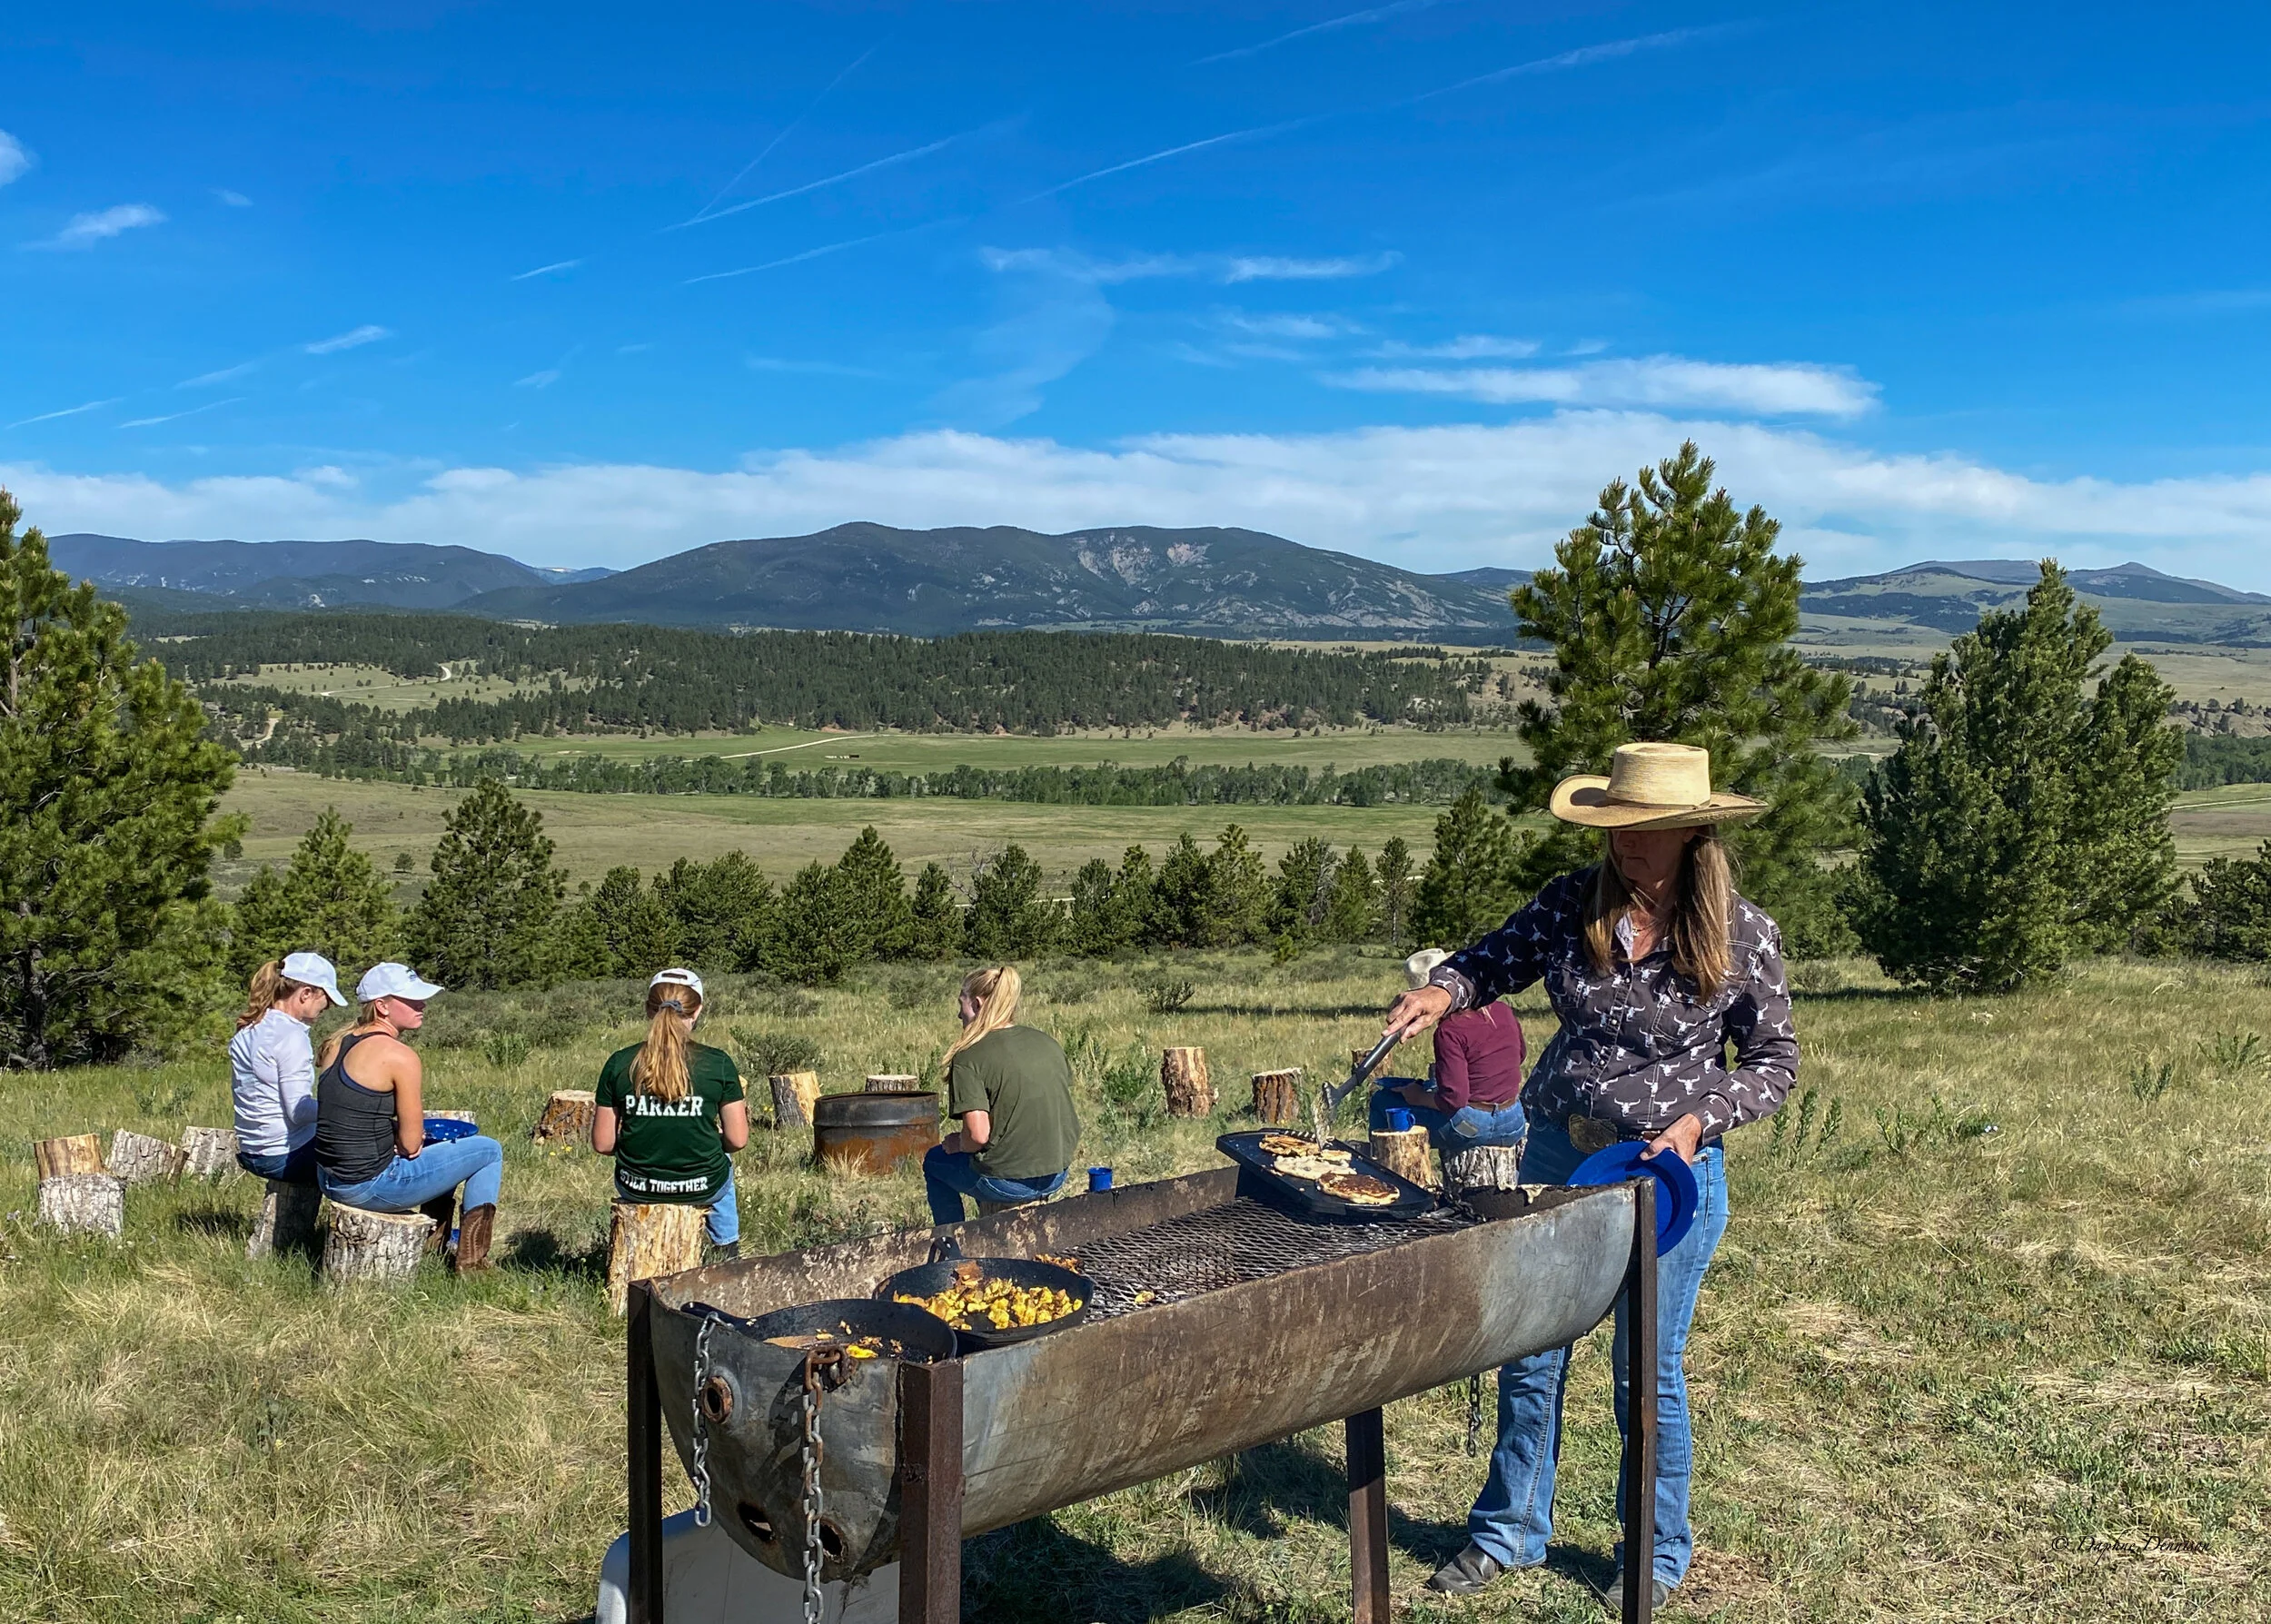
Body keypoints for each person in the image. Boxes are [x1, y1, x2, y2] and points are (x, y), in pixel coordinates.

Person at [1380, 742, 1798, 1609]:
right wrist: (1442, 992)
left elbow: (1773, 1062)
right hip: (1557, 1153)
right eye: (1615, 827)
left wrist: (1699, 1120)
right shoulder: (1573, 903)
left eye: (1644, 829)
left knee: (1647, 1369)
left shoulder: (1743, 934)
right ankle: (1509, 1530)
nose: (1622, 843)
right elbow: (1491, 960)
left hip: (1664, 1174)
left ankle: (1655, 1551)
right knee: (1531, 1347)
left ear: (1691, 834)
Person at [313, 963, 506, 1272]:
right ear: (382, 1006)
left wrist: (390, 1134)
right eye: (412, 999)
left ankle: (436, 1243)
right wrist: (404, 1139)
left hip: (329, 1178)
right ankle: (472, 1264)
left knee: (440, 1150)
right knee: (488, 1150)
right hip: (369, 1186)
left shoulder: (337, 1044)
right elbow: (411, 1144)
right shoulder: (399, 1056)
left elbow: (351, 1112)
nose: (422, 1004)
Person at [591, 968, 749, 1261]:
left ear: (648, 1009)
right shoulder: (717, 1063)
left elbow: (603, 1144)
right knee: (723, 1161)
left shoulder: (619, 1063)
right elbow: (738, 1140)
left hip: (637, 1186)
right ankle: (727, 1253)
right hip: (702, 1185)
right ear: (697, 1010)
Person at [923, 966, 1080, 1225]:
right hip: (1057, 1174)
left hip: (1006, 1182)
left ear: (977, 1004)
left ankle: (951, 1239)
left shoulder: (969, 1056)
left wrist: (957, 1143)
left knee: (934, 1161)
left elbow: (977, 1136)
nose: (959, 1014)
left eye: (961, 1004)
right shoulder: (1047, 1043)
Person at [1368, 946, 1527, 1154]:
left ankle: (1386, 1166)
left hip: (1473, 1127)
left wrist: (1418, 1096)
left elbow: (1454, 1099)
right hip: (1514, 1120)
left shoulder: (1450, 1030)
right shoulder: (1502, 1010)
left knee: (1382, 1101)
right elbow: (1520, 1055)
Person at [229, 952, 348, 1184]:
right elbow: (299, 1111)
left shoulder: (250, 1028)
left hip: (252, 1150)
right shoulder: (291, 1036)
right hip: (285, 1154)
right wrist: (348, 1111)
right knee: (376, 1150)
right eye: (326, 1001)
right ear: (306, 993)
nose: (327, 1008)